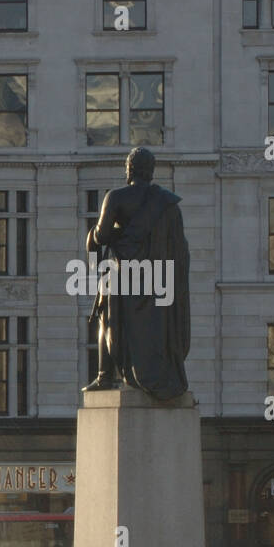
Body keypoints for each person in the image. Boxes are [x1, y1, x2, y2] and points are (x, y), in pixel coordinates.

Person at [84, 147, 191, 400]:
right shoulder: (168, 204)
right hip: (157, 279)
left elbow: (101, 236)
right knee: (155, 326)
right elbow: (179, 248)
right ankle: (158, 369)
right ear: (151, 172)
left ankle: (104, 376)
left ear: (128, 169)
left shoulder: (117, 197)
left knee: (105, 317)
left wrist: (93, 237)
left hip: (123, 275)